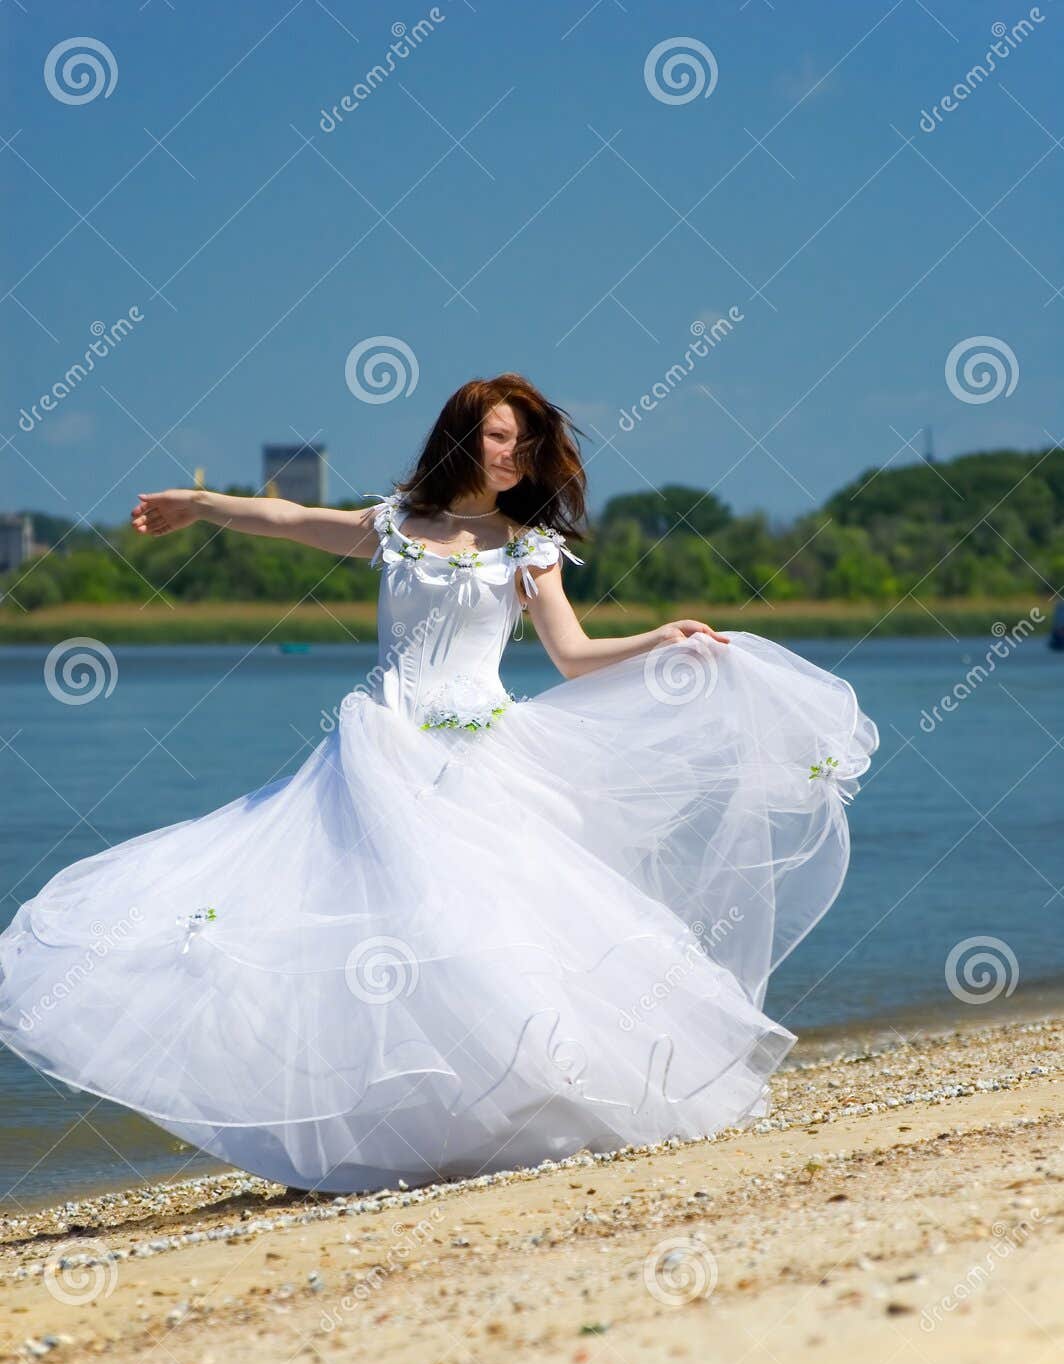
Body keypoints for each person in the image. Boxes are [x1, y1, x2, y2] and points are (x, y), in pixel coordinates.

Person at [0, 373, 878, 1194]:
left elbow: (573, 658)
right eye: (501, 438)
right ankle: (411, 1132)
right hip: (384, 748)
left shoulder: (528, 546)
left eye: (526, 447)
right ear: (463, 439)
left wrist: (660, 640)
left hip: (487, 757)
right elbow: (283, 514)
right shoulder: (391, 526)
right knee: (372, 941)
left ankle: (527, 1105)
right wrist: (195, 503)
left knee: (490, 932)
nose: (514, 457)